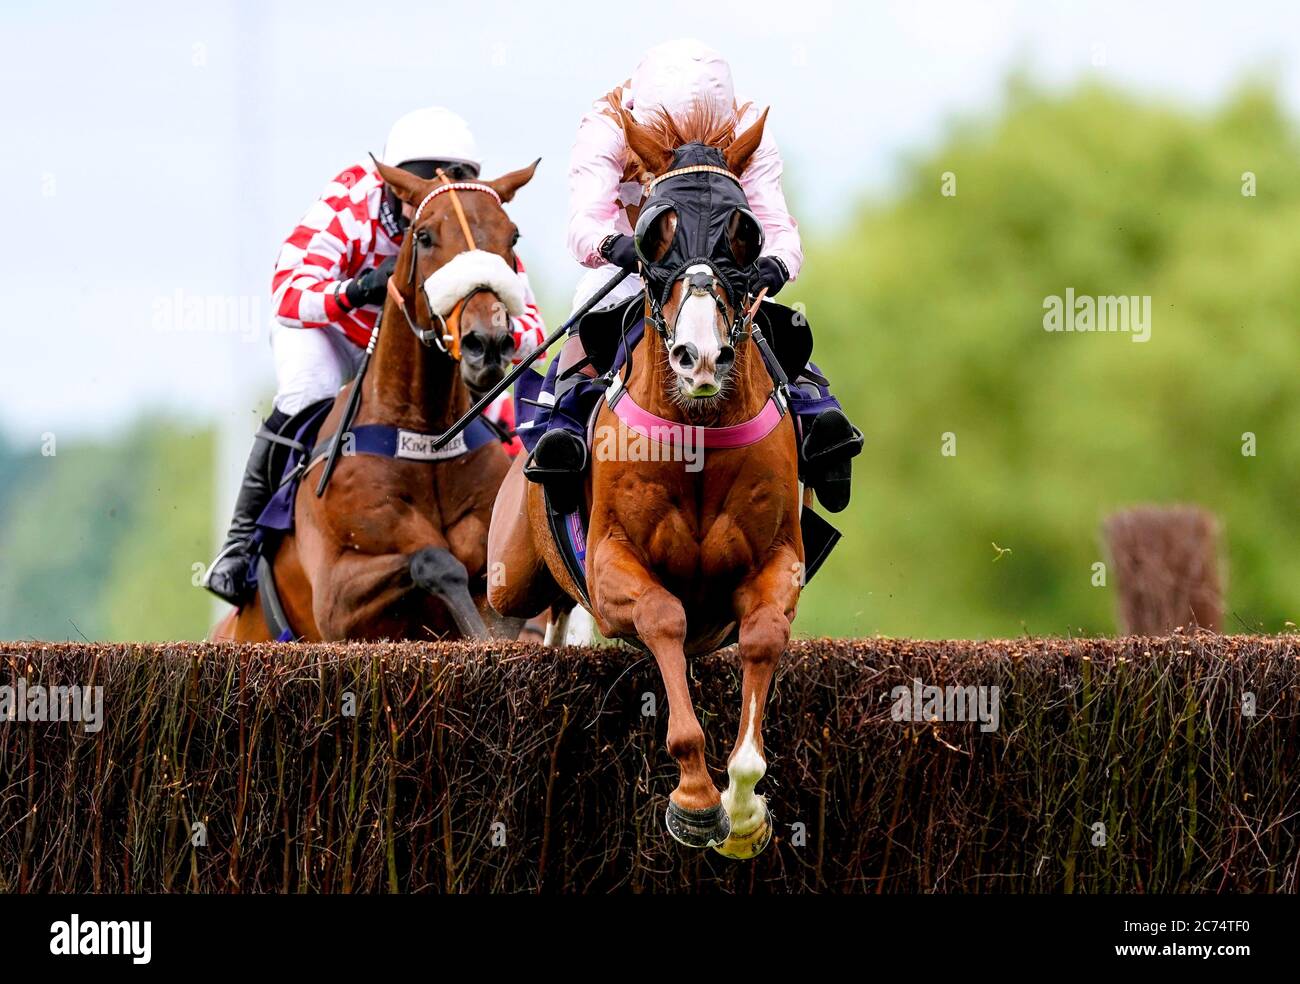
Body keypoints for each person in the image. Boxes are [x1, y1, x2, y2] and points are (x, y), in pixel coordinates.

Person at [204, 107, 546, 605]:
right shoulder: (352, 199)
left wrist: (500, 337)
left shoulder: (473, 220)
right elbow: (287, 295)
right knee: (308, 389)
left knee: (491, 410)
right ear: (394, 185)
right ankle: (239, 545)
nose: (436, 199)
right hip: (333, 330)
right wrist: (362, 287)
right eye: (420, 187)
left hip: (420, 344)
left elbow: (531, 326)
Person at [523, 39, 862, 513]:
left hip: (721, 277)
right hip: (631, 274)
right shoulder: (608, 124)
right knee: (586, 333)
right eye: (676, 133)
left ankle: (817, 419)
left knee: (777, 335)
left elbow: (778, 224)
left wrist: (774, 265)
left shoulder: (745, 130)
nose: (693, 143)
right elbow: (583, 222)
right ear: (647, 118)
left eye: (706, 133)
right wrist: (627, 250)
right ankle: (561, 434)